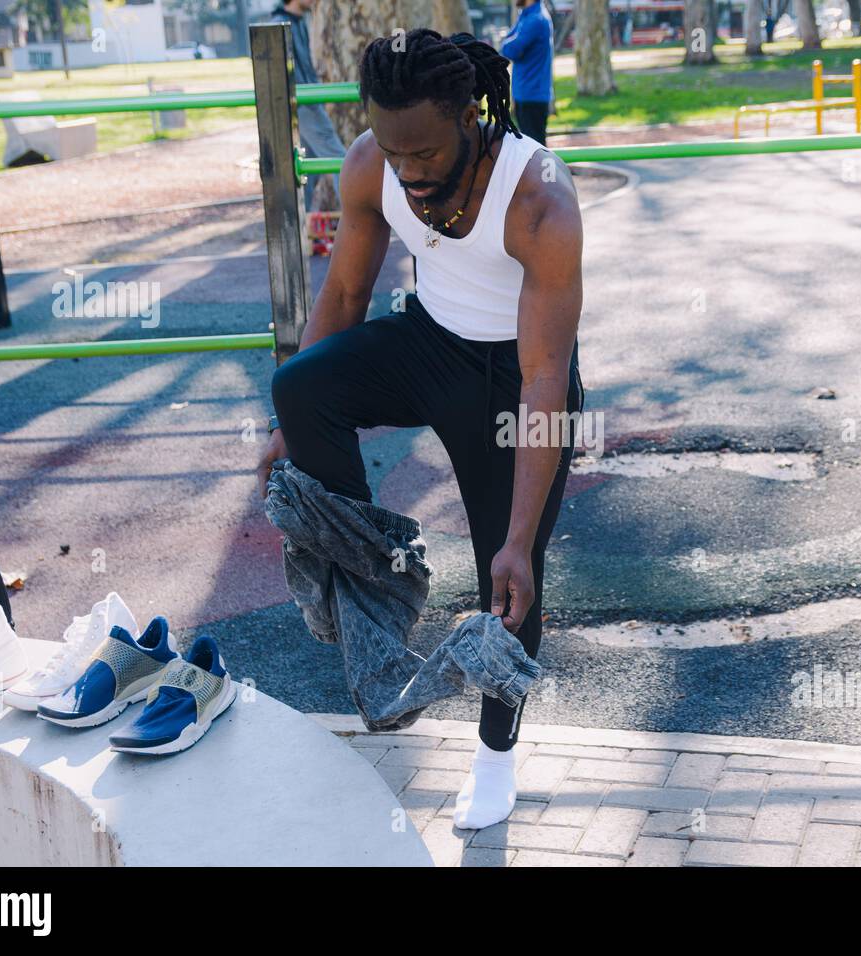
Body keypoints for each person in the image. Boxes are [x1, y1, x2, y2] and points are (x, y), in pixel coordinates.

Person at [256, 28, 585, 831]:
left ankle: (496, 753)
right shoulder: (375, 161)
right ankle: (376, 587)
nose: (409, 171)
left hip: (514, 383)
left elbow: (546, 377)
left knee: (507, 578)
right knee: (300, 384)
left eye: (428, 155)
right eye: (394, 152)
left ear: (473, 116)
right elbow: (341, 300)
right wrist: (288, 422)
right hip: (428, 341)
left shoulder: (538, 196)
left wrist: (519, 533)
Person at [270, 0, 346, 211]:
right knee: (340, 160)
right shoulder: (279, 24)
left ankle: (300, 228)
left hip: (309, 102)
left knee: (307, 172)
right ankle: (358, 218)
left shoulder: (300, 21)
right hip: (304, 106)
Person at [500, 0, 555, 144]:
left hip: (533, 95)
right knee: (528, 146)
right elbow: (508, 42)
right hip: (525, 93)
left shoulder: (536, 20)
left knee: (534, 148)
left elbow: (511, 50)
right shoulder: (526, 16)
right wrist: (506, 42)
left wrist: (505, 42)